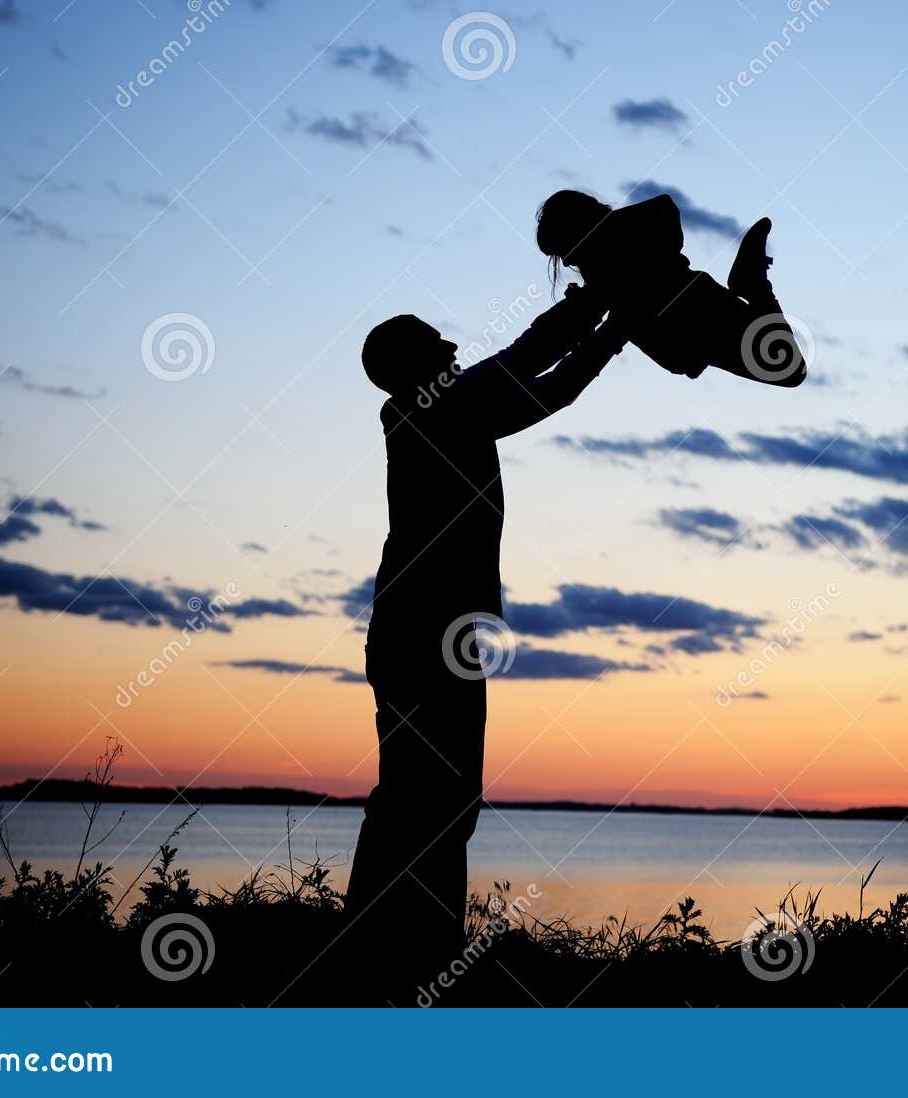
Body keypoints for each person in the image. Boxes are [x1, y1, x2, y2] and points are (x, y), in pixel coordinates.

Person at [346, 285, 626, 995]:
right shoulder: (434, 406)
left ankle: (392, 944)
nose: (449, 347)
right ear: (407, 365)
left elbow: (534, 382)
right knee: (430, 797)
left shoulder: (438, 407)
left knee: (430, 795)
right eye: (432, 343)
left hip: (430, 631)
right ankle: (400, 951)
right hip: (427, 632)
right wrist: (599, 313)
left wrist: (599, 325)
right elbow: (533, 366)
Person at [534, 189, 808, 387]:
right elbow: (620, 321)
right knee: (786, 368)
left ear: (578, 227)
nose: (567, 260)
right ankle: (752, 284)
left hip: (697, 311)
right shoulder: (599, 272)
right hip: (686, 339)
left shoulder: (613, 241)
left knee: (788, 368)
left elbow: (664, 206)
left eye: (563, 247)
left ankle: (753, 284)